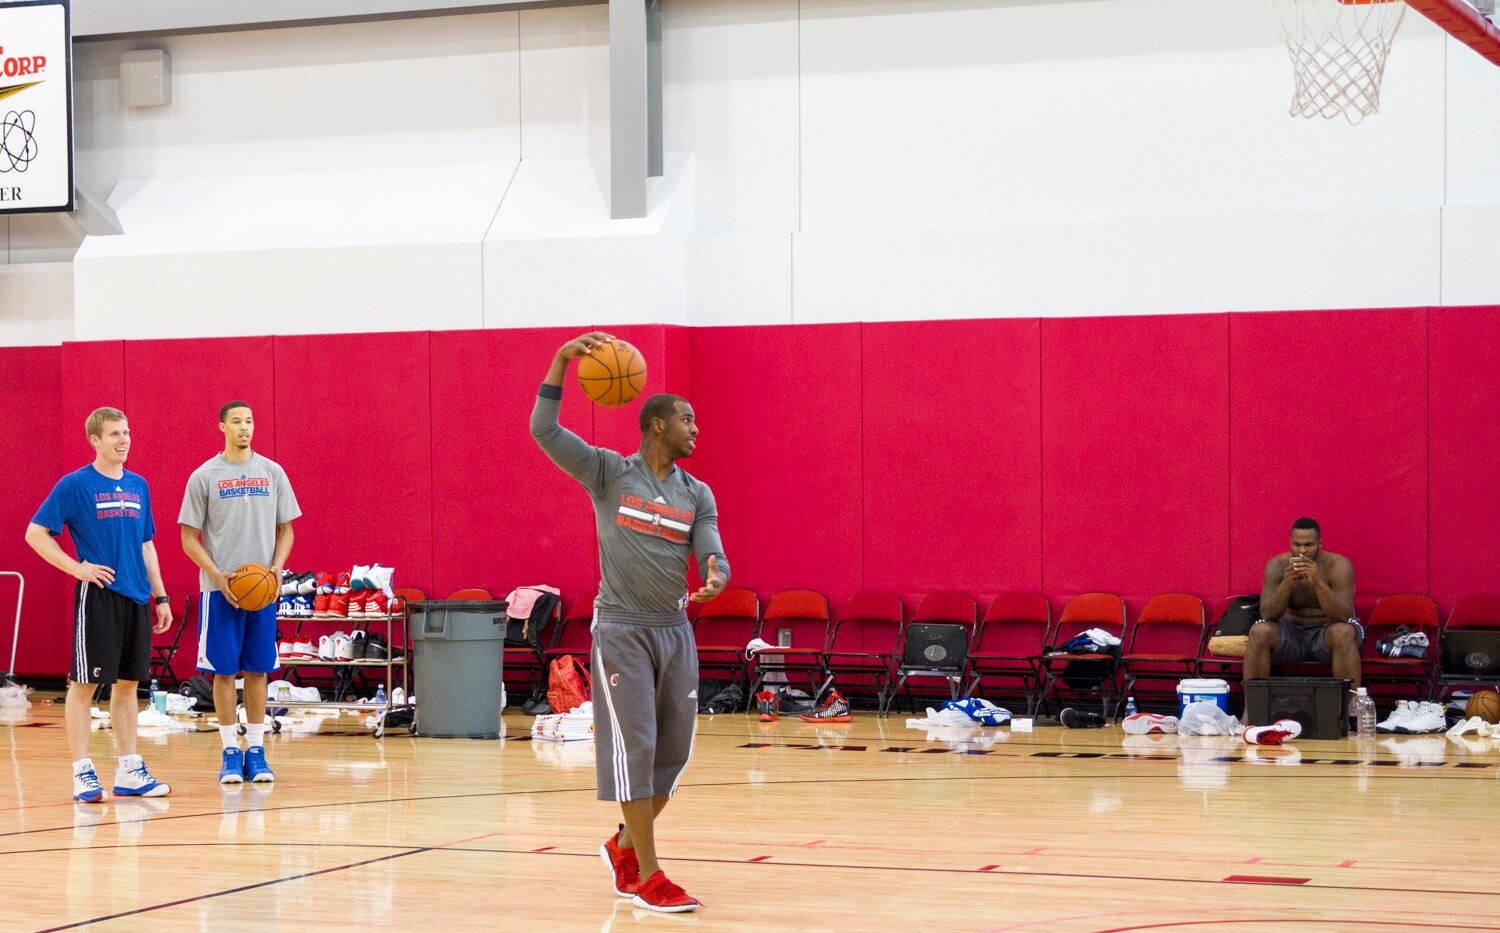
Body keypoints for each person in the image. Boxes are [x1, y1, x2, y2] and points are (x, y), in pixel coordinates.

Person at [531, 332, 729, 914]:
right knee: (635, 749)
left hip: (674, 630)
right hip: (621, 629)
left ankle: (622, 846)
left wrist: (716, 572)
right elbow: (545, 431)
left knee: (672, 755)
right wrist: (559, 363)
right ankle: (647, 873)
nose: (697, 429)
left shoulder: (698, 493)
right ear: (657, 425)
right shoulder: (609, 473)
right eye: (688, 420)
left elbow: (711, 545)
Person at [25, 407, 174, 803]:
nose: (123, 439)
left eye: (126, 432)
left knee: (128, 686)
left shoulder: (139, 485)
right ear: (95, 440)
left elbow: (146, 545)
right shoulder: (75, 485)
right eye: (114, 434)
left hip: (136, 597)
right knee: (84, 684)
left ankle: (129, 769)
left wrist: (160, 596)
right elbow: (35, 533)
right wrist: (77, 568)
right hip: (98, 597)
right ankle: (82, 773)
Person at [180, 401, 301, 785]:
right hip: (220, 592)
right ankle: (230, 752)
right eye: (237, 422)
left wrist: (278, 568)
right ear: (222, 427)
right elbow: (188, 538)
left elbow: (288, 529)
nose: (245, 428)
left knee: (258, 670)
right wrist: (217, 576)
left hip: (261, 591)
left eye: (249, 421)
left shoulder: (272, 472)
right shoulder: (205, 475)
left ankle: (257, 751)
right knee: (222, 672)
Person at [1244, 516, 1360, 695]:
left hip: (1326, 633)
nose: (1302, 551)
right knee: (1259, 632)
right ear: (1289, 542)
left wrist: (1318, 582)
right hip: (1291, 634)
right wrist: (1287, 584)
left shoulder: (1339, 565)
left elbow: (1343, 616)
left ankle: (1349, 711)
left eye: (1309, 545)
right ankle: (1253, 710)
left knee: (1343, 632)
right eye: (1297, 545)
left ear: (1320, 543)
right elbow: (1267, 614)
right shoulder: (1277, 565)